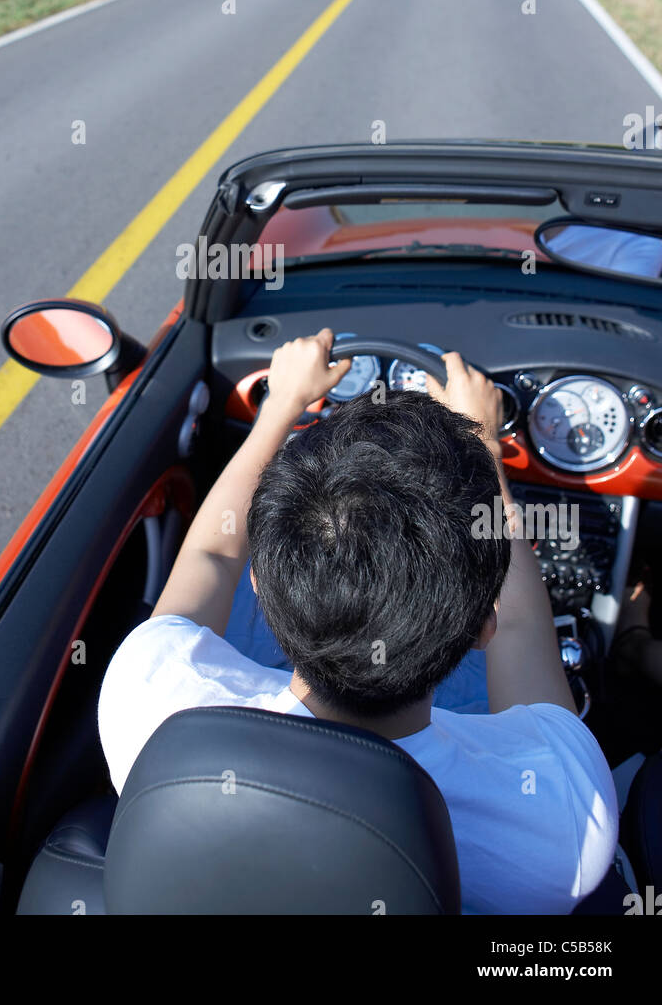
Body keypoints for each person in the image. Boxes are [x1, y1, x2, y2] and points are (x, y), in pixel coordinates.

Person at [98, 331, 619, 914]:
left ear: (261, 589)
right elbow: (524, 625)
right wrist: (486, 447)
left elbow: (213, 555)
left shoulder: (152, 701)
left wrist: (280, 408)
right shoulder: (562, 826)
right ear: (482, 629)